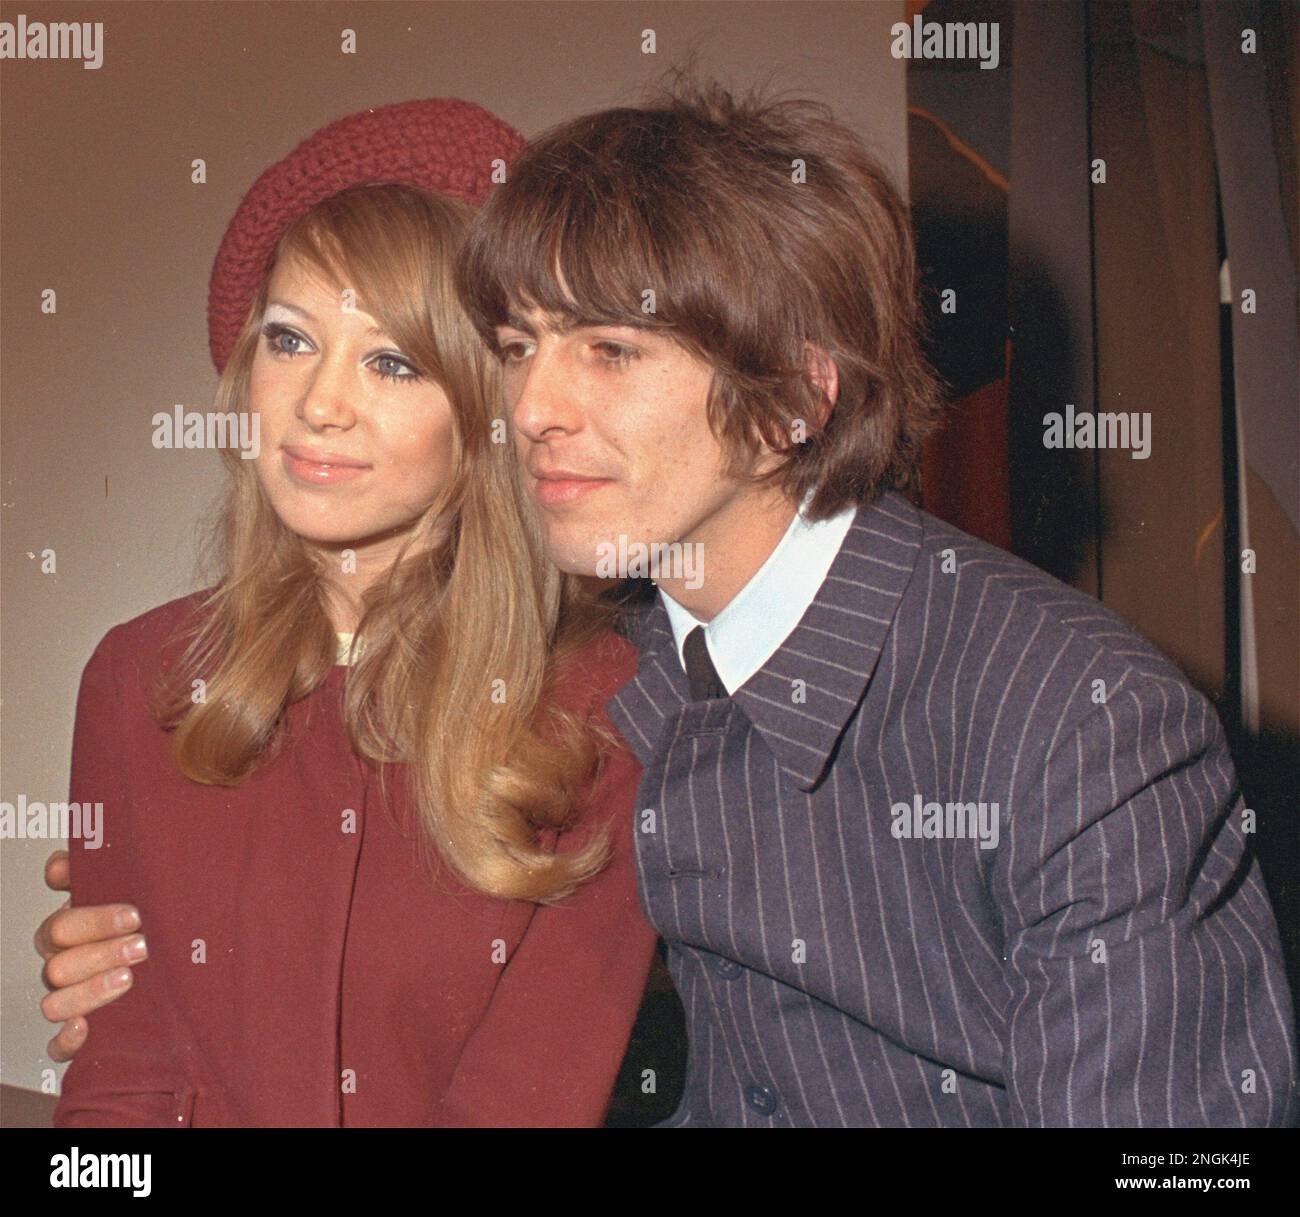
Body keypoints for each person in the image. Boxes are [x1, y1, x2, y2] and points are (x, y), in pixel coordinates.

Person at [449, 78, 1296, 1126]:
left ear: (794, 402)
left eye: (610, 349)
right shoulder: (636, 659)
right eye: (517, 347)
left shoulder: (1079, 714)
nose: (531, 407)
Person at [38, 97, 658, 1127]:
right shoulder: (137, 674)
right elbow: (119, 1081)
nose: (319, 403)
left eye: (391, 360)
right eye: (290, 339)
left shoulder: (607, 717)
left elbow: (522, 1103)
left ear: (487, 410)